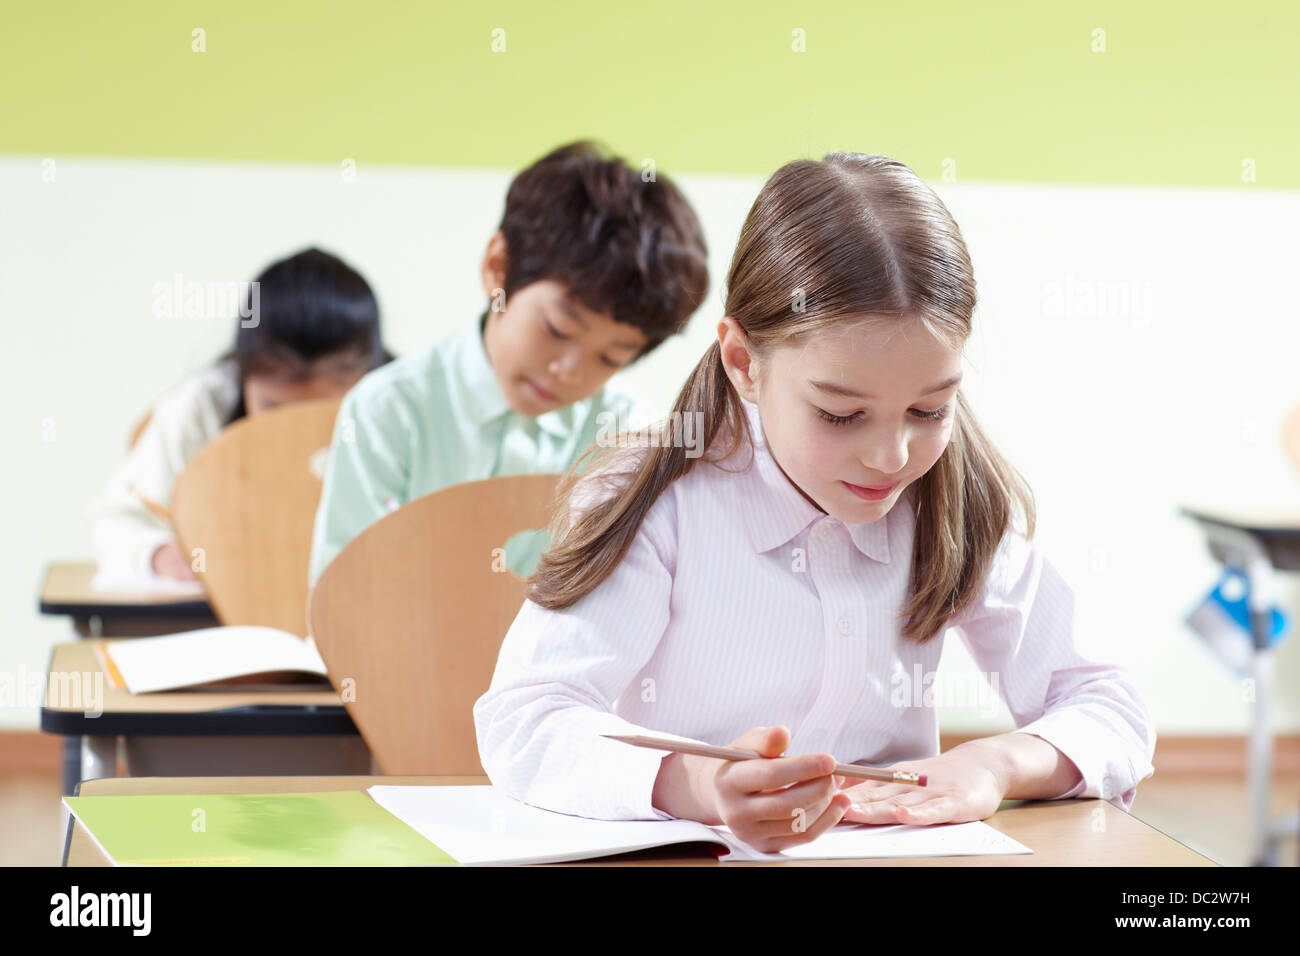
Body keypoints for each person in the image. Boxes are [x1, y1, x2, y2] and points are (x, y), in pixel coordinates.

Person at [474, 151, 1156, 854]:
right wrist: (698, 783)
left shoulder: (952, 502)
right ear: (744, 363)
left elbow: (1112, 709)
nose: (892, 457)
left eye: (929, 409)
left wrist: (994, 763)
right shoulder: (656, 500)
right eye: (840, 414)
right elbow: (528, 719)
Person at [307, 140, 709, 584]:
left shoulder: (622, 433)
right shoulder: (390, 410)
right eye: (556, 329)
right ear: (498, 269)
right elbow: (343, 595)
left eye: (610, 357)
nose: (570, 371)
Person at [92, 247, 390, 583]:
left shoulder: (402, 409)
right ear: (244, 371)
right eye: (272, 407)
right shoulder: (203, 407)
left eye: (321, 411)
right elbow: (118, 525)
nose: (292, 433)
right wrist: (164, 557)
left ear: (369, 378)